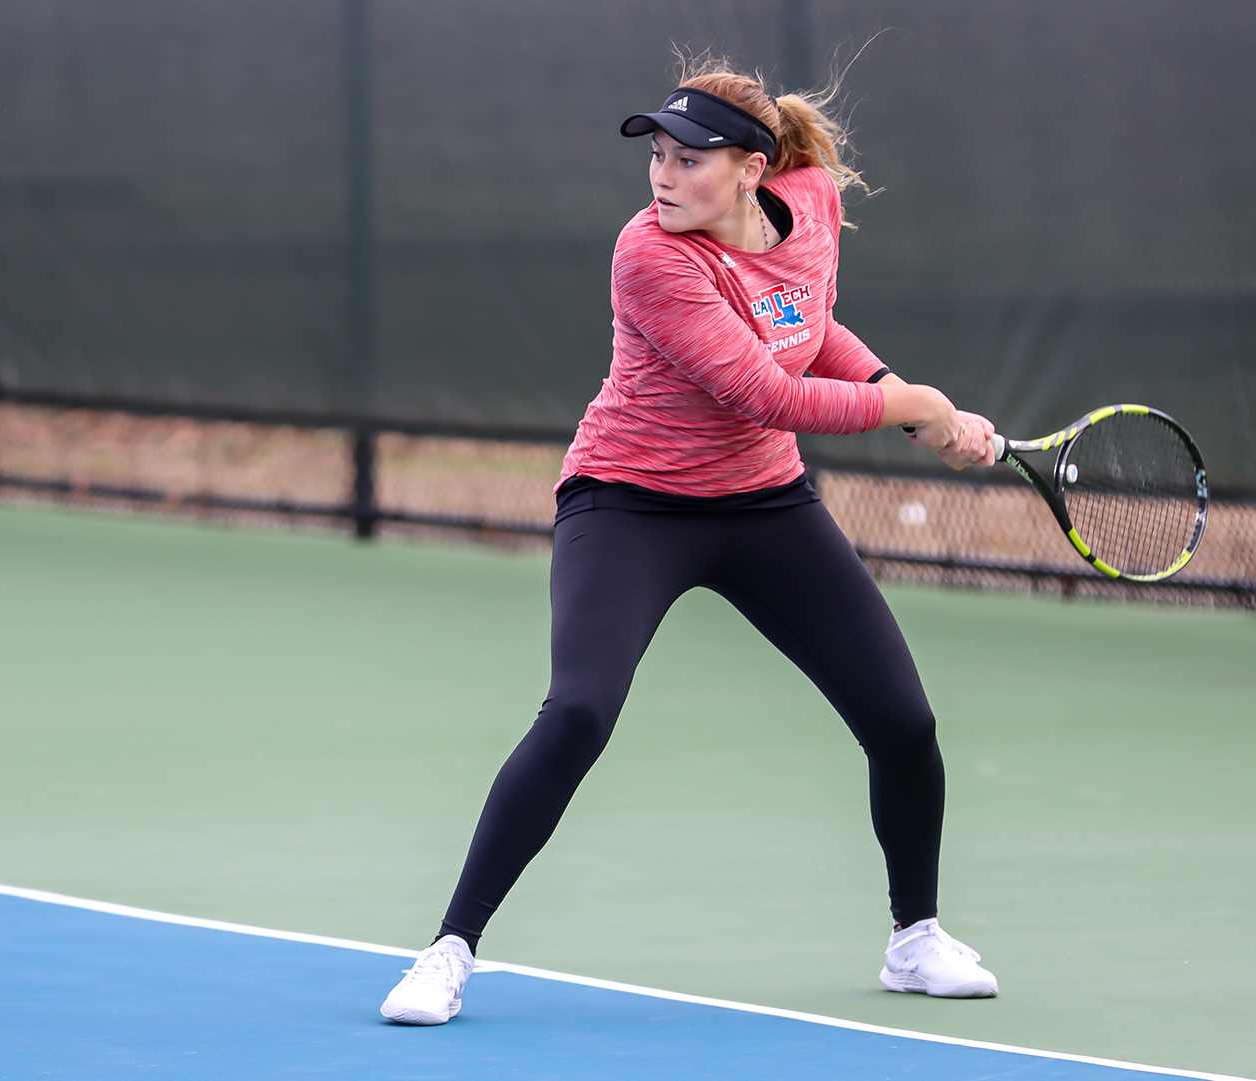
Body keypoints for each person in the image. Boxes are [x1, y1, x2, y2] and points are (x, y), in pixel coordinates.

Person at [381, 62, 999, 1026]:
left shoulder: (813, 204)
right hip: (628, 504)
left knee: (903, 723)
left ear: (754, 170)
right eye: (656, 157)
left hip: (764, 506)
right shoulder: (650, 256)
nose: (662, 177)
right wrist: (911, 405)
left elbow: (809, 326)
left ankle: (915, 939)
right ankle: (448, 949)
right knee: (579, 711)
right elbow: (767, 392)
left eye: (689, 159)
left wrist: (901, 391)